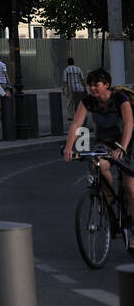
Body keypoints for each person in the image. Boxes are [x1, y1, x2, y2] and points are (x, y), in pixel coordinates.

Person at [63, 68, 134, 254]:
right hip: (105, 142)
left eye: (96, 85)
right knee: (98, 164)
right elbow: (77, 124)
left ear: (106, 85)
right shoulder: (88, 101)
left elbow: (129, 123)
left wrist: (122, 148)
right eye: (90, 85)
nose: (92, 88)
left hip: (127, 142)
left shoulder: (120, 99)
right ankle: (108, 200)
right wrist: (69, 147)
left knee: (130, 188)